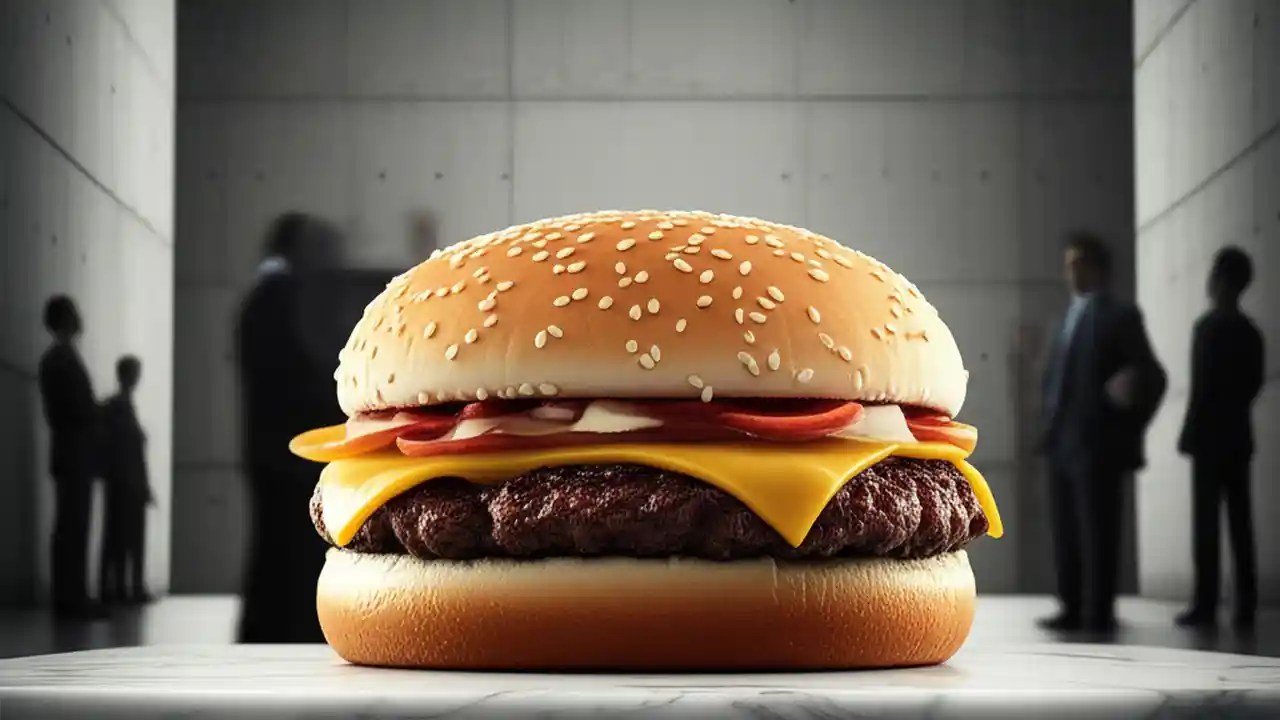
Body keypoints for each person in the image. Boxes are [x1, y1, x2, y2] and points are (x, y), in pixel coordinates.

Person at [1039, 232, 1166, 632]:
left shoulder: (1120, 316)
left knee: (1098, 531)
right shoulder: (1066, 319)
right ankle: (1071, 606)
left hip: (1098, 445)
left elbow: (1152, 376)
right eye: (1068, 265)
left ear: (1098, 268)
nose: (1071, 272)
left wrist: (1129, 409)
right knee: (1066, 530)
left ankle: (1098, 612)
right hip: (1061, 442)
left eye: (1078, 264)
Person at [236, 213, 340, 643]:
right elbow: (296, 374)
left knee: (273, 547)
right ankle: (284, 634)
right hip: (288, 452)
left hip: (268, 449)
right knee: (288, 549)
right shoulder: (279, 296)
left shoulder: (262, 294)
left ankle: (264, 632)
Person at [1175, 247, 1264, 629]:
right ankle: (1245, 604)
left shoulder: (1207, 327)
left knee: (1207, 525)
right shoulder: (1250, 332)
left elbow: (1199, 390)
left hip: (1208, 439)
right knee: (1241, 523)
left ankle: (1206, 603)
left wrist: (1189, 433)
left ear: (1221, 280)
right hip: (1238, 437)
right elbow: (1253, 385)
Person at [37, 296, 107, 619]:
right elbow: (72, 408)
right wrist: (95, 412)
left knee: (72, 525)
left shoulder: (58, 358)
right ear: (66, 318)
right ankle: (71, 598)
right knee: (73, 526)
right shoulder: (59, 359)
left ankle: (71, 595)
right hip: (73, 452)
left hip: (72, 452)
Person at [100, 356, 154, 605]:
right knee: (123, 537)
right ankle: (122, 588)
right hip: (124, 483)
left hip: (128, 483)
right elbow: (123, 451)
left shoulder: (120, 407)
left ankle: (126, 587)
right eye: (135, 373)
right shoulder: (116, 407)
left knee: (124, 537)